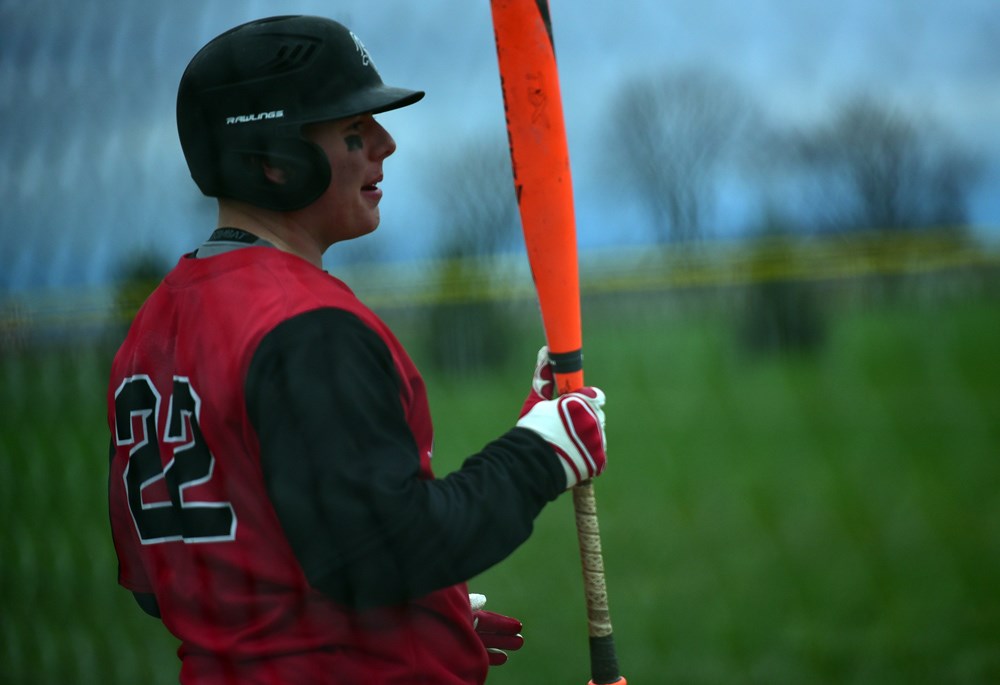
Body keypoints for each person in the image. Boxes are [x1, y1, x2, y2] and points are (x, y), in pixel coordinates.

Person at [106, 14, 608, 685]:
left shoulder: (151, 332)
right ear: (274, 158)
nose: (387, 144)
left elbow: (170, 580)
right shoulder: (303, 323)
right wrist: (539, 457)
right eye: (352, 132)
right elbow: (381, 552)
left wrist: (415, 618)